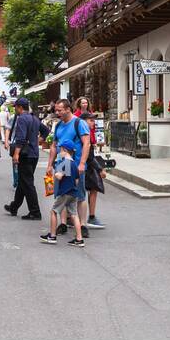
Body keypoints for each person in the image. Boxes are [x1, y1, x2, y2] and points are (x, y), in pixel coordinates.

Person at [49, 98, 92, 238]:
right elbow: (54, 145)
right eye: (56, 110)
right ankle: (62, 223)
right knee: (62, 193)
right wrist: (50, 164)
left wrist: (82, 163)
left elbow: (87, 144)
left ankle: (83, 224)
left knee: (79, 195)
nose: (57, 112)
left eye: (59, 110)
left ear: (68, 109)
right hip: (61, 164)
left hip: (75, 165)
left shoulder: (79, 123)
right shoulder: (59, 125)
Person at [4, 96, 45, 220]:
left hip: (25, 155)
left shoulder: (22, 119)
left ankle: (35, 212)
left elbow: (20, 138)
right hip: (34, 154)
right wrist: (37, 141)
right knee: (23, 181)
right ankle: (14, 206)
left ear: (20, 107)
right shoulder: (34, 118)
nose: (15, 109)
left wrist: (16, 154)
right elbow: (46, 131)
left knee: (28, 183)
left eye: (15, 107)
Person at [41, 142, 85, 247]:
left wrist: (55, 174)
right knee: (74, 215)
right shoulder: (74, 164)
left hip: (64, 192)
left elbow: (59, 176)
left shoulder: (64, 163)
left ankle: (52, 235)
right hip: (73, 192)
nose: (59, 152)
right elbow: (77, 180)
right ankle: (79, 238)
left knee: (53, 211)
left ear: (65, 150)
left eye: (60, 150)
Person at [76, 99, 106, 229]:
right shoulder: (81, 134)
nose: (94, 123)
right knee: (83, 191)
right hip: (82, 166)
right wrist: (100, 169)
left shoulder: (86, 132)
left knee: (91, 189)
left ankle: (73, 219)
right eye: (91, 120)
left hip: (83, 165)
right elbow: (89, 156)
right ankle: (84, 219)